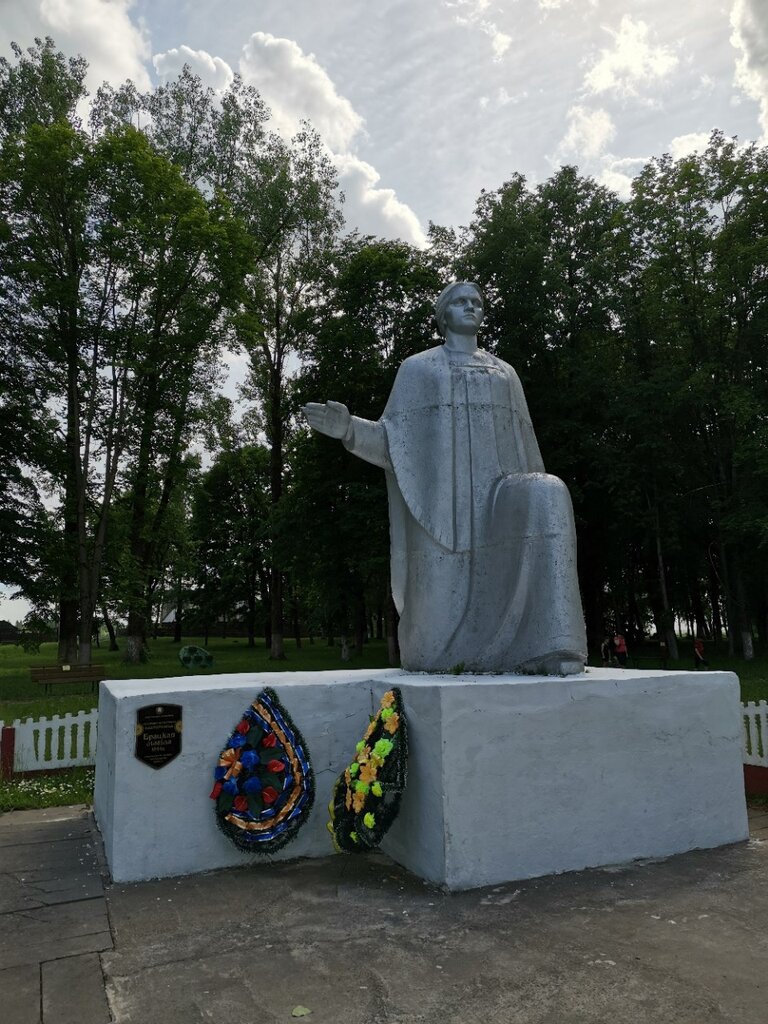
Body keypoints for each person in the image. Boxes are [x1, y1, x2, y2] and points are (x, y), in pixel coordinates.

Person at [303, 281, 587, 675]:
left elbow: (527, 449)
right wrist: (349, 429)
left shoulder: (506, 374)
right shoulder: (419, 369)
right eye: (460, 301)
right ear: (443, 316)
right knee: (429, 652)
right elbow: (394, 443)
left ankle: (551, 646)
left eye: (477, 302)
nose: (471, 307)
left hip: (499, 503)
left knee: (549, 491)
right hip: (442, 514)